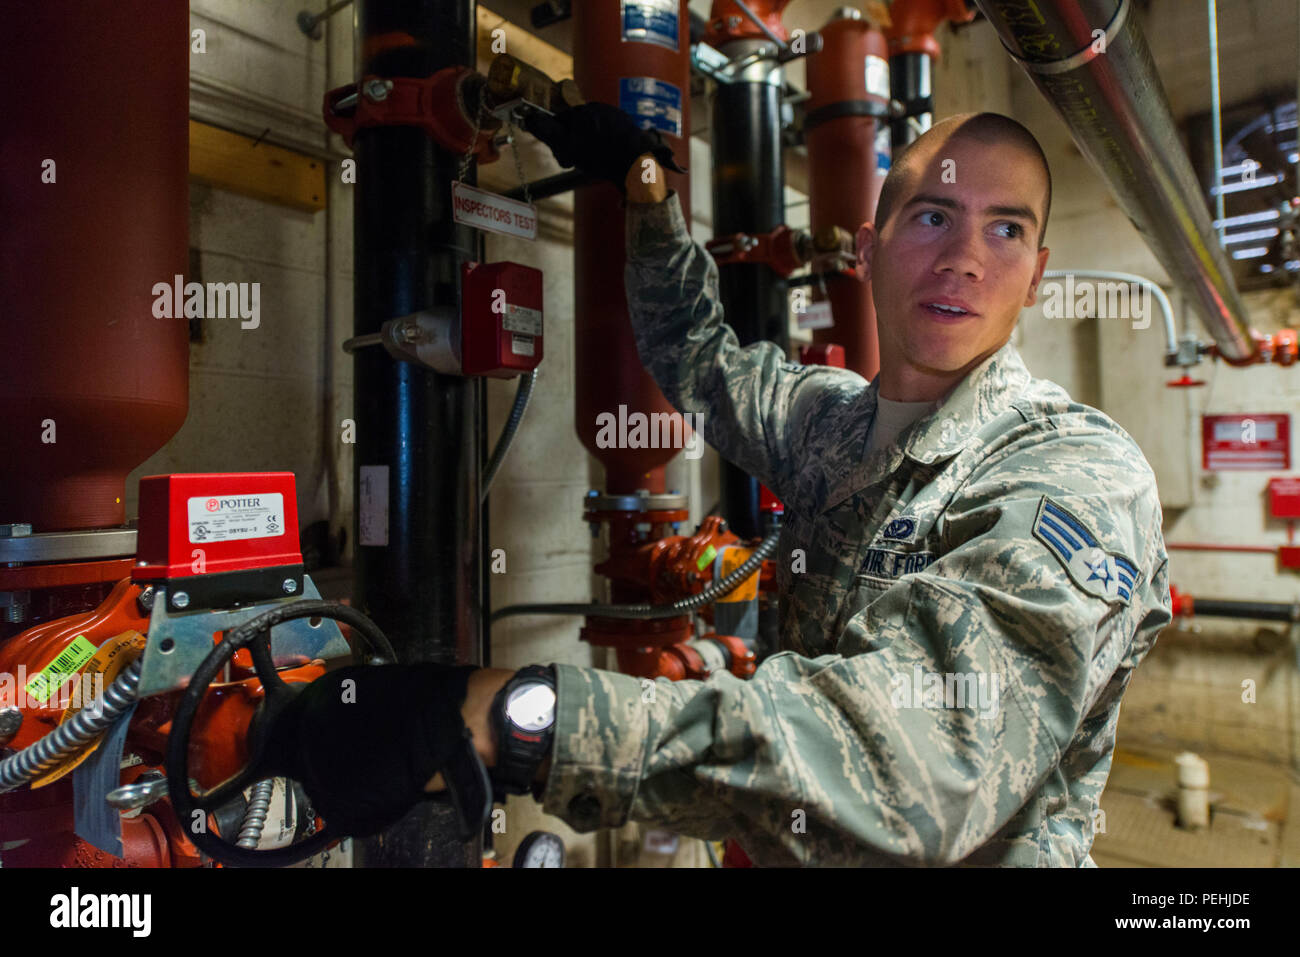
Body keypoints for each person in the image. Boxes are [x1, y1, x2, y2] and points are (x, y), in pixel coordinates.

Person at [253, 107, 1171, 867]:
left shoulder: (1072, 472)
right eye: (933, 215)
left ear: (1040, 272)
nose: (966, 256)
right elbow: (697, 356)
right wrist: (649, 193)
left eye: (1006, 228)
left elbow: (923, 769)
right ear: (866, 246)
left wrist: (506, 716)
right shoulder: (828, 422)